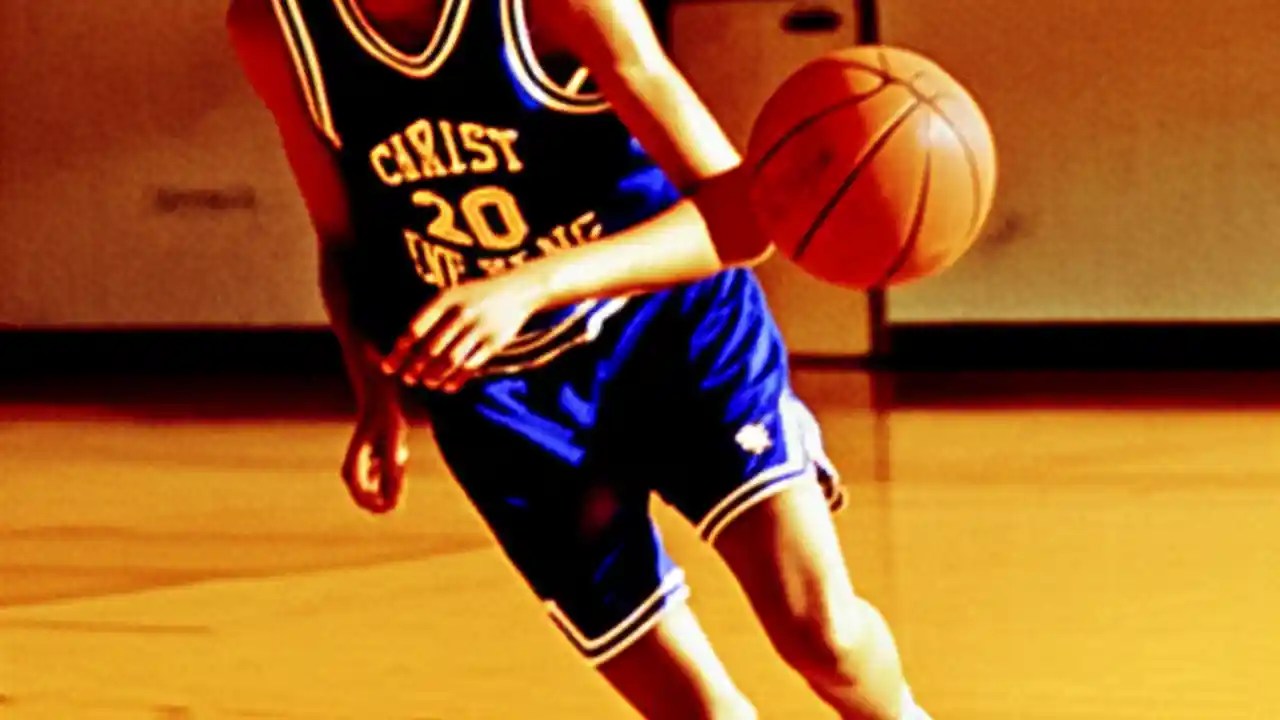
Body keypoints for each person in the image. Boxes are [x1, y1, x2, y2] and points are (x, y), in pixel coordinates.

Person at [227, 0, 930, 717]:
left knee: (822, 636)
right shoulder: (273, 28)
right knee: (699, 712)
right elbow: (346, 242)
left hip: (673, 334)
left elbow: (744, 217)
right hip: (504, 403)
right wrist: (374, 392)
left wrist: (531, 285)